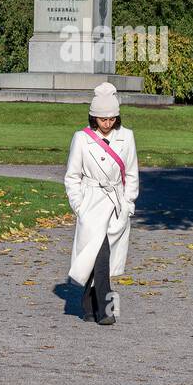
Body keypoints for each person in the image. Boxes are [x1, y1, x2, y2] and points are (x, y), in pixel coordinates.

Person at [64, 82, 140, 325]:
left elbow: (132, 172)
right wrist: (79, 206)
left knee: (97, 255)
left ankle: (88, 307)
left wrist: (129, 203)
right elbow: (72, 176)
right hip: (91, 202)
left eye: (111, 118)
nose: (106, 123)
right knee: (100, 252)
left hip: (116, 203)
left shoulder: (127, 137)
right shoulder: (81, 139)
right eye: (101, 118)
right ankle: (106, 310)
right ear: (93, 117)